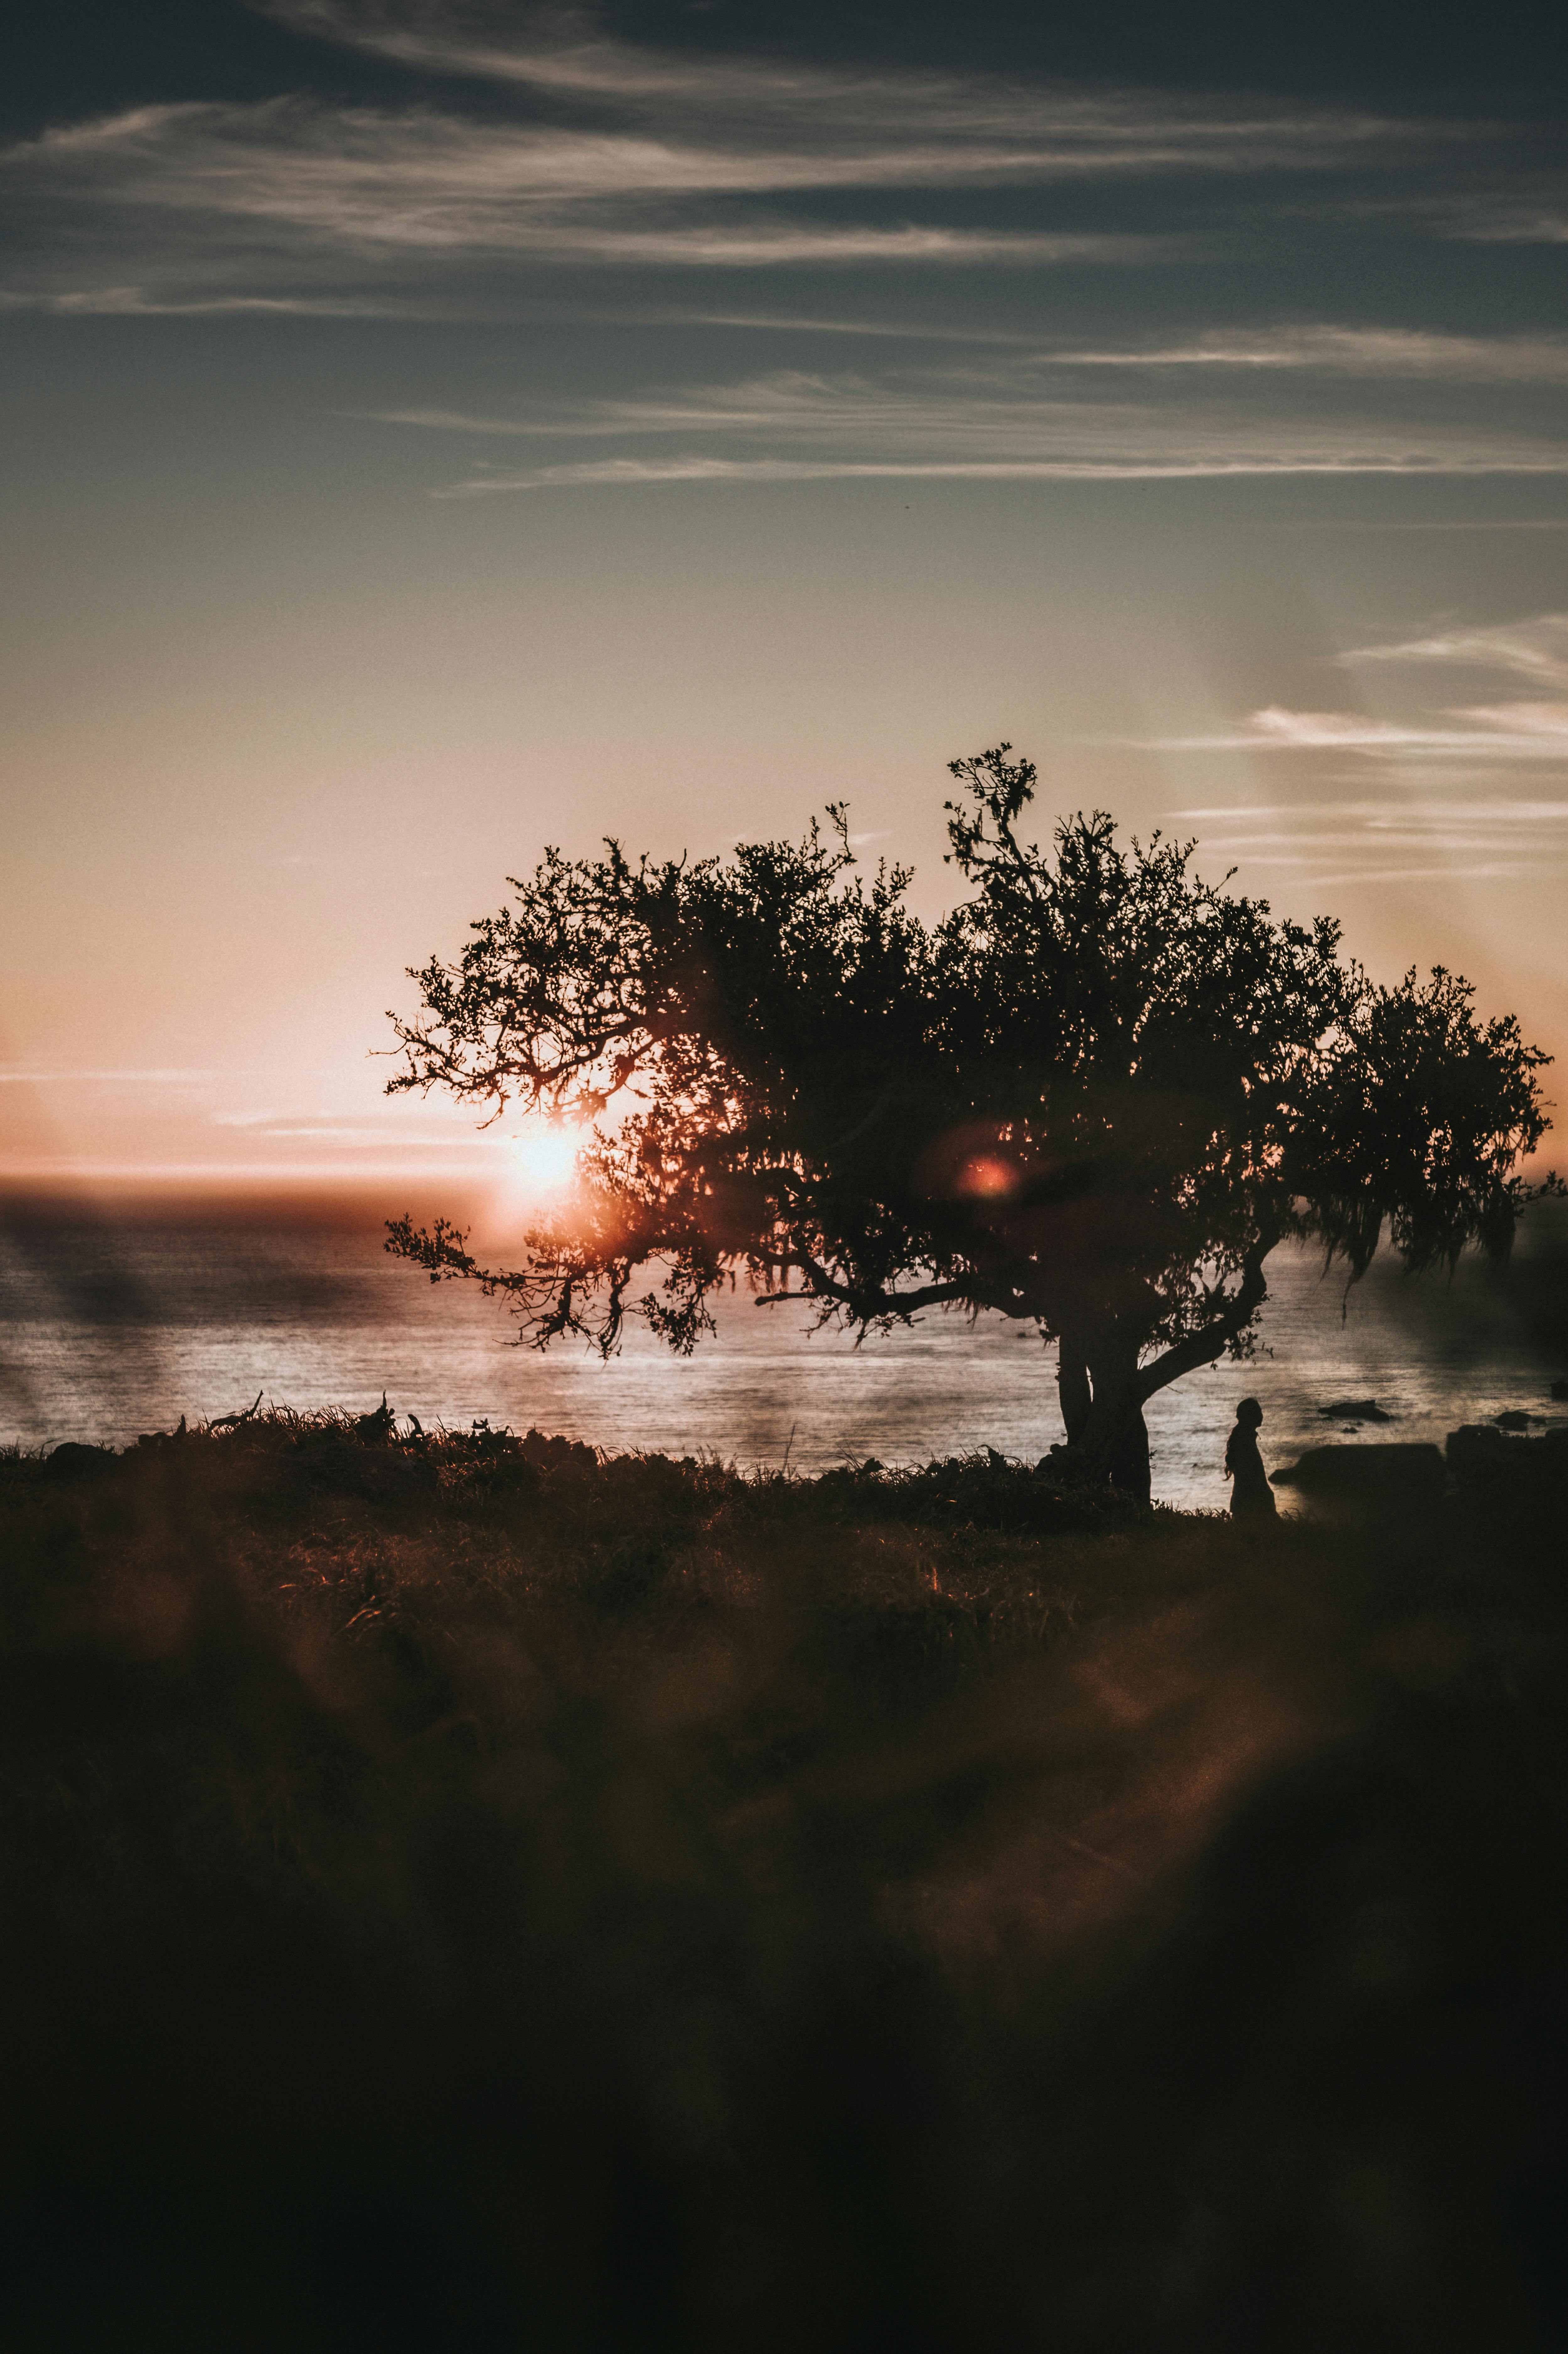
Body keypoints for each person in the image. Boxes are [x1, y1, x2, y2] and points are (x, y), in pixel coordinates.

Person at [1225, 1396, 1277, 1519]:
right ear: (1250, 1416)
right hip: (1252, 1506)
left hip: (1246, 1504)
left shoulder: (1244, 1438)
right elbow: (1251, 1478)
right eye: (1258, 1412)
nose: (1262, 1415)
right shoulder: (1245, 1442)